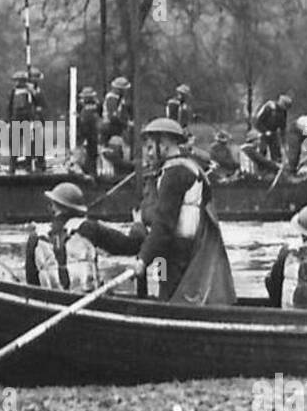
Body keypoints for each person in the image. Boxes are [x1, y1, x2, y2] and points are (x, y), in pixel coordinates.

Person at [77, 118, 235, 304]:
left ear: (165, 143)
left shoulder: (174, 173)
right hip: (171, 252)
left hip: (175, 254)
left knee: (168, 291)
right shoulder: (189, 168)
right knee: (163, 286)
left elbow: (164, 224)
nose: (148, 154)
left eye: (151, 147)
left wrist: (143, 260)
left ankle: (164, 310)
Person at [24, 183, 99, 292]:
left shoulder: (35, 237)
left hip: (49, 302)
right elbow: (127, 245)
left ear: (53, 207)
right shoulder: (90, 228)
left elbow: (31, 281)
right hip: (89, 301)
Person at [7, 70, 36, 173]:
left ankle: (29, 165)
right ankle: (12, 165)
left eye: (20, 81)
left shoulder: (30, 92)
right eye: (16, 81)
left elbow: (35, 104)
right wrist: (9, 119)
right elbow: (10, 106)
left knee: (28, 143)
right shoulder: (13, 91)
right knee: (14, 143)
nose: (18, 83)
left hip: (27, 119)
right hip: (15, 119)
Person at [252, 93, 293, 166]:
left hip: (273, 133)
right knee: (261, 151)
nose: (285, 108)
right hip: (261, 132)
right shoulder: (269, 107)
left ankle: (276, 167)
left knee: (276, 151)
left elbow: (282, 127)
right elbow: (257, 121)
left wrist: (284, 141)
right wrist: (265, 131)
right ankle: (259, 167)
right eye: (284, 106)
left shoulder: (283, 112)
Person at [77, 86, 101, 176]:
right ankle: (89, 171)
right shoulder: (83, 106)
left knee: (92, 153)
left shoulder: (94, 106)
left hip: (91, 132)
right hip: (88, 132)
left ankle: (91, 171)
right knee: (89, 153)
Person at [28, 67, 48, 171]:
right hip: (28, 119)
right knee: (30, 141)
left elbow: (44, 104)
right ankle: (29, 162)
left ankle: (40, 161)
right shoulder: (26, 91)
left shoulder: (39, 91)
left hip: (38, 119)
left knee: (39, 141)